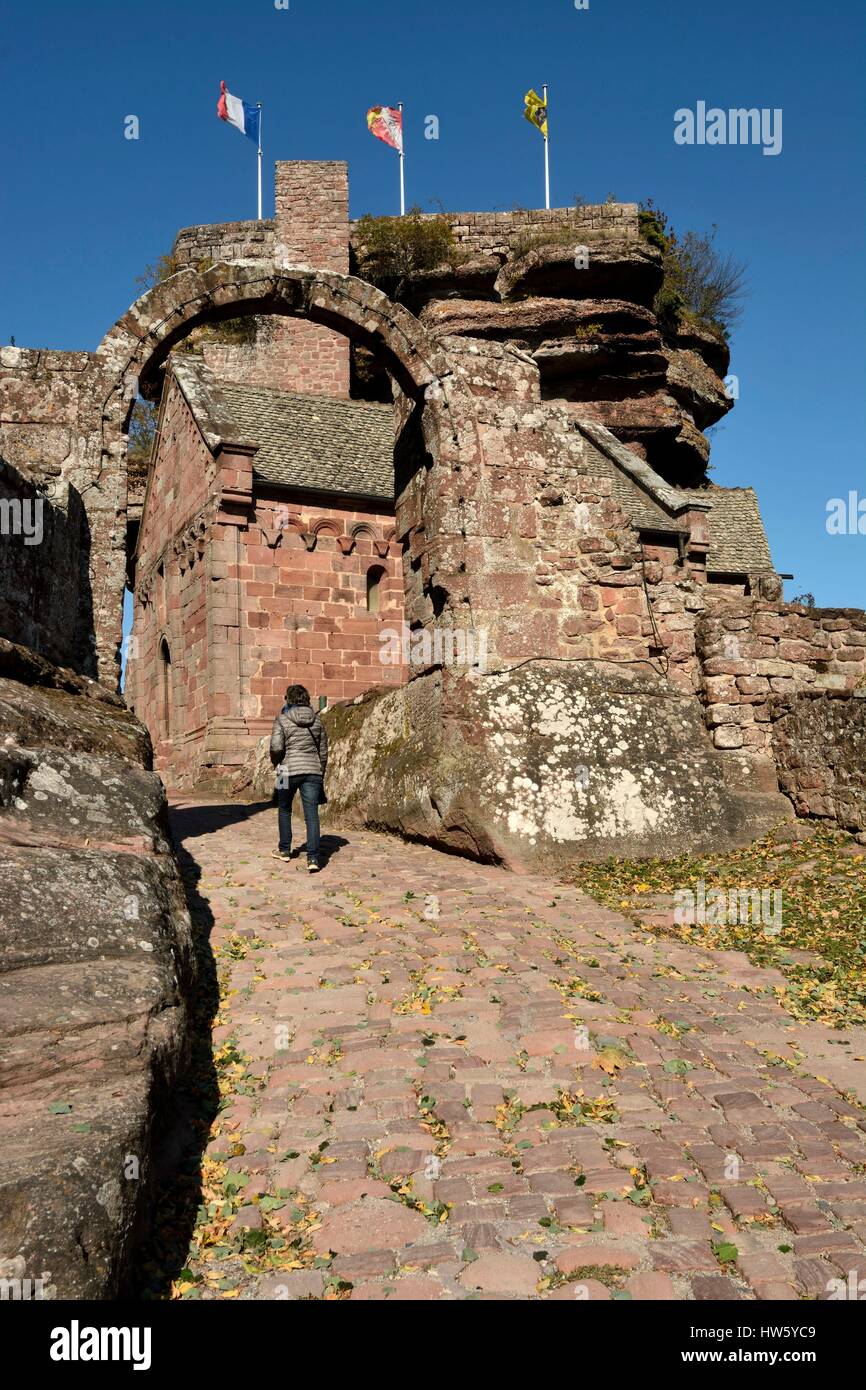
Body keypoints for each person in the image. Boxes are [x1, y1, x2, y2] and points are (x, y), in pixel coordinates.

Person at [269, 684, 328, 872]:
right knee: (312, 815)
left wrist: (276, 763)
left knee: (283, 808)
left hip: (285, 769)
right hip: (312, 770)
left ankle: (284, 850)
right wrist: (321, 772)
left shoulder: (281, 719)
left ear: (289, 700)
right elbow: (323, 752)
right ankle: (313, 859)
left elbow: (276, 747)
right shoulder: (317, 721)